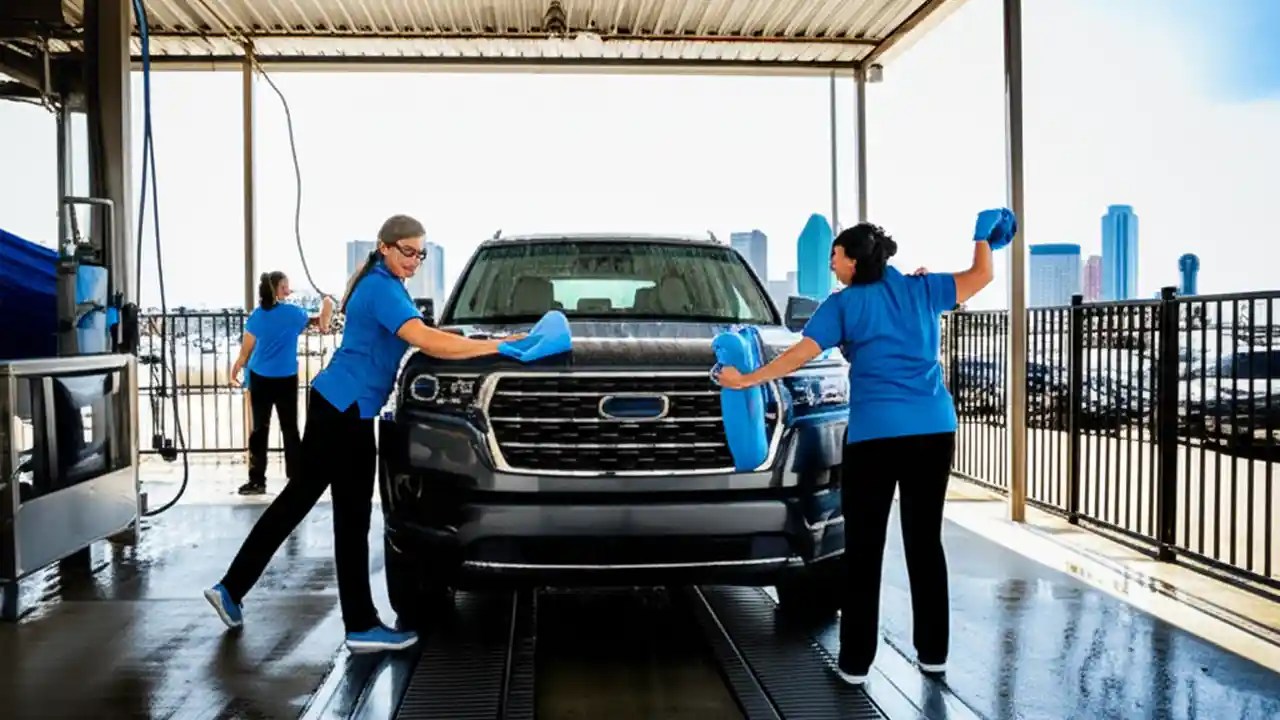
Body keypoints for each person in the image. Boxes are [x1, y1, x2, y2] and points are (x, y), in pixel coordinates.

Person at [205, 214, 522, 653]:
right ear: (385, 246)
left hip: (337, 405)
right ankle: (358, 625)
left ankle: (232, 589)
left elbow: (429, 334)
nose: (415, 260)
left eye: (421, 253)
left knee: (303, 504)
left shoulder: (384, 284)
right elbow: (428, 342)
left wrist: (486, 337)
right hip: (345, 412)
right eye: (408, 251)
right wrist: (503, 347)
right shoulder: (380, 287)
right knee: (348, 518)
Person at [715, 222, 993, 685]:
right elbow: (981, 275)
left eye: (835, 257)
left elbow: (798, 355)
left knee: (864, 549)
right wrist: (984, 236)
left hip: (875, 437)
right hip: (933, 430)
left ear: (853, 260)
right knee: (925, 543)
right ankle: (934, 655)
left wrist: (745, 380)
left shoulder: (842, 305)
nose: (831, 266)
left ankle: (856, 664)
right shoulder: (924, 288)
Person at [230, 271, 334, 495]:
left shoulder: (257, 315)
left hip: (259, 377)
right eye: (286, 286)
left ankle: (257, 481)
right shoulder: (295, 313)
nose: (290, 289)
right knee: (290, 429)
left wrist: (236, 367)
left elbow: (246, 351)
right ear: (279, 289)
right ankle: (296, 478)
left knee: (259, 429)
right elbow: (321, 324)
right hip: (286, 378)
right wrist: (327, 302)